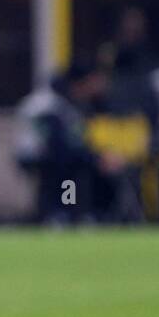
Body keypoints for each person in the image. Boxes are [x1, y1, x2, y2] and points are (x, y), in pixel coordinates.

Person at [15, 62, 124, 224]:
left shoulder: (64, 101)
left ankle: (68, 212)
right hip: (38, 154)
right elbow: (60, 145)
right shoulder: (52, 104)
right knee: (71, 166)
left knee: (79, 162)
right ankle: (61, 212)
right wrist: (97, 159)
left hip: (46, 154)